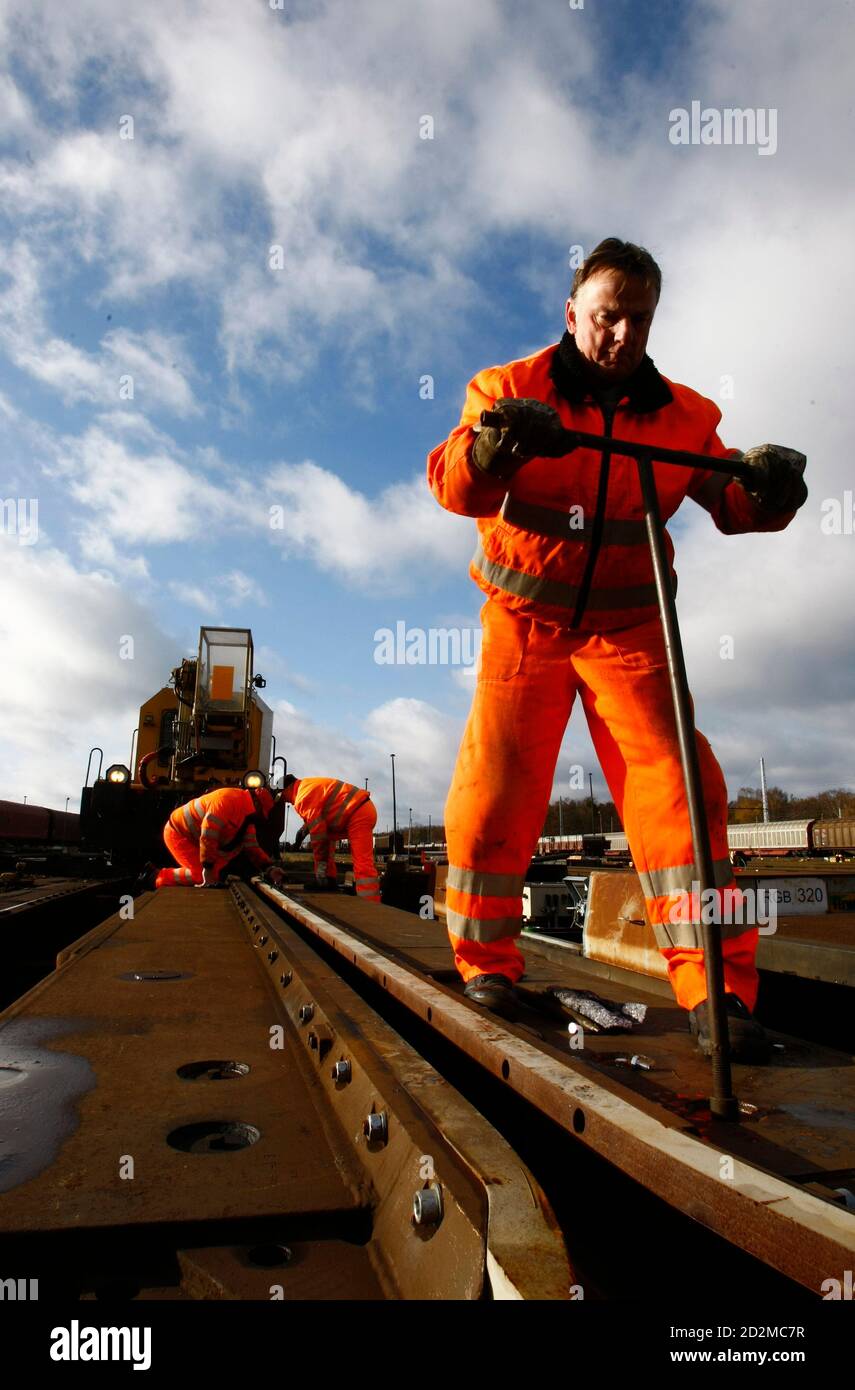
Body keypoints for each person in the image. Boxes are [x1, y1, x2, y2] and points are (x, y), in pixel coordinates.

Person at [426, 238, 807, 1061]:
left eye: (638, 319)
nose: (621, 335)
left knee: (683, 796)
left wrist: (773, 489)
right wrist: (494, 445)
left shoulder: (685, 417)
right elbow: (456, 485)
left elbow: (732, 504)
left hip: (630, 636)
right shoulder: (507, 389)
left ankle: (715, 989)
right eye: (606, 317)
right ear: (572, 315)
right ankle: (485, 966)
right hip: (524, 626)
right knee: (493, 795)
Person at [152, 784, 284, 888]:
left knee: (213, 875)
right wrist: (207, 868)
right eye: (261, 813)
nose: (261, 818)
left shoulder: (246, 818)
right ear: (256, 803)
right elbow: (208, 834)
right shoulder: (228, 800)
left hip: (193, 837)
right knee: (201, 876)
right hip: (178, 834)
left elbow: (252, 847)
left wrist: (269, 868)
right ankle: (160, 877)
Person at [281, 774, 380, 901]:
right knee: (328, 839)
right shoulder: (305, 788)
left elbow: (318, 837)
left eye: (282, 796)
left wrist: (320, 867)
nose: (285, 800)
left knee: (362, 864)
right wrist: (305, 828)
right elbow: (320, 820)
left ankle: (370, 905)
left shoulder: (302, 797)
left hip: (358, 814)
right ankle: (330, 880)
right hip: (357, 811)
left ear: (286, 789)